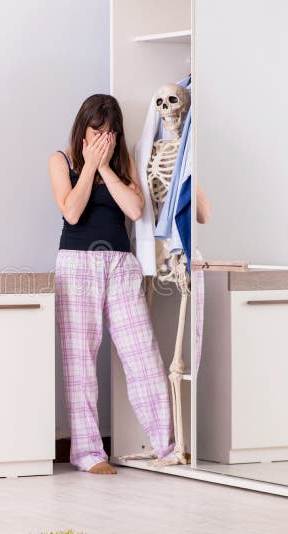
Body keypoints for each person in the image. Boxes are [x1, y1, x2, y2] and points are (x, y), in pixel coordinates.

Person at [49, 94, 175, 474]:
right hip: (76, 264)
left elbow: (135, 210)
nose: (103, 138)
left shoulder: (122, 163)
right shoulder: (61, 160)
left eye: (109, 132)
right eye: (96, 131)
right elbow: (71, 211)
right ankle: (88, 453)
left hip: (121, 264)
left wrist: (105, 168)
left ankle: (165, 445)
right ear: (82, 129)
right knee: (80, 362)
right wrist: (88, 167)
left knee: (143, 356)